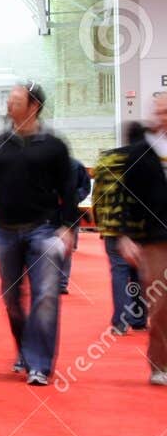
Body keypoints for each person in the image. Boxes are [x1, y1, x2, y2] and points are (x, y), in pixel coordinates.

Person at [0, 83, 79, 387]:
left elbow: (68, 189)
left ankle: (39, 364)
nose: (8, 105)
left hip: (42, 229)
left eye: (15, 101)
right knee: (12, 299)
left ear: (33, 106)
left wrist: (68, 226)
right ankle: (26, 353)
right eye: (9, 100)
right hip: (5, 231)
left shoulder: (54, 146)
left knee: (45, 297)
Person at [118, 98, 167, 383]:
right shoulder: (140, 152)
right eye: (160, 111)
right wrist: (125, 234)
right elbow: (127, 197)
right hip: (155, 237)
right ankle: (160, 364)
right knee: (160, 304)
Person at [92, 122, 148, 337]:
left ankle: (120, 322)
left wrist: (100, 220)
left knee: (119, 272)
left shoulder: (106, 161)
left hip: (111, 226)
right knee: (139, 273)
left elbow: (97, 195)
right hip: (139, 228)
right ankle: (139, 317)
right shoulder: (143, 161)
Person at [59, 156, 91, 295]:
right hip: (46, 211)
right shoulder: (42, 163)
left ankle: (61, 283)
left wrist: (73, 197)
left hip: (69, 211)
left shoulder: (76, 165)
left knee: (66, 249)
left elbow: (85, 187)